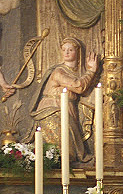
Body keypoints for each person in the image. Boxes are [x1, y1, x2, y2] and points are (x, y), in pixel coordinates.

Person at [30, 36, 99, 165]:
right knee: (62, 151)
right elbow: (78, 86)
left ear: (77, 52)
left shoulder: (71, 72)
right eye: (64, 50)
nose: (66, 52)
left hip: (65, 109)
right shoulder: (58, 71)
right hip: (52, 111)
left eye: (70, 49)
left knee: (68, 149)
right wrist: (91, 71)